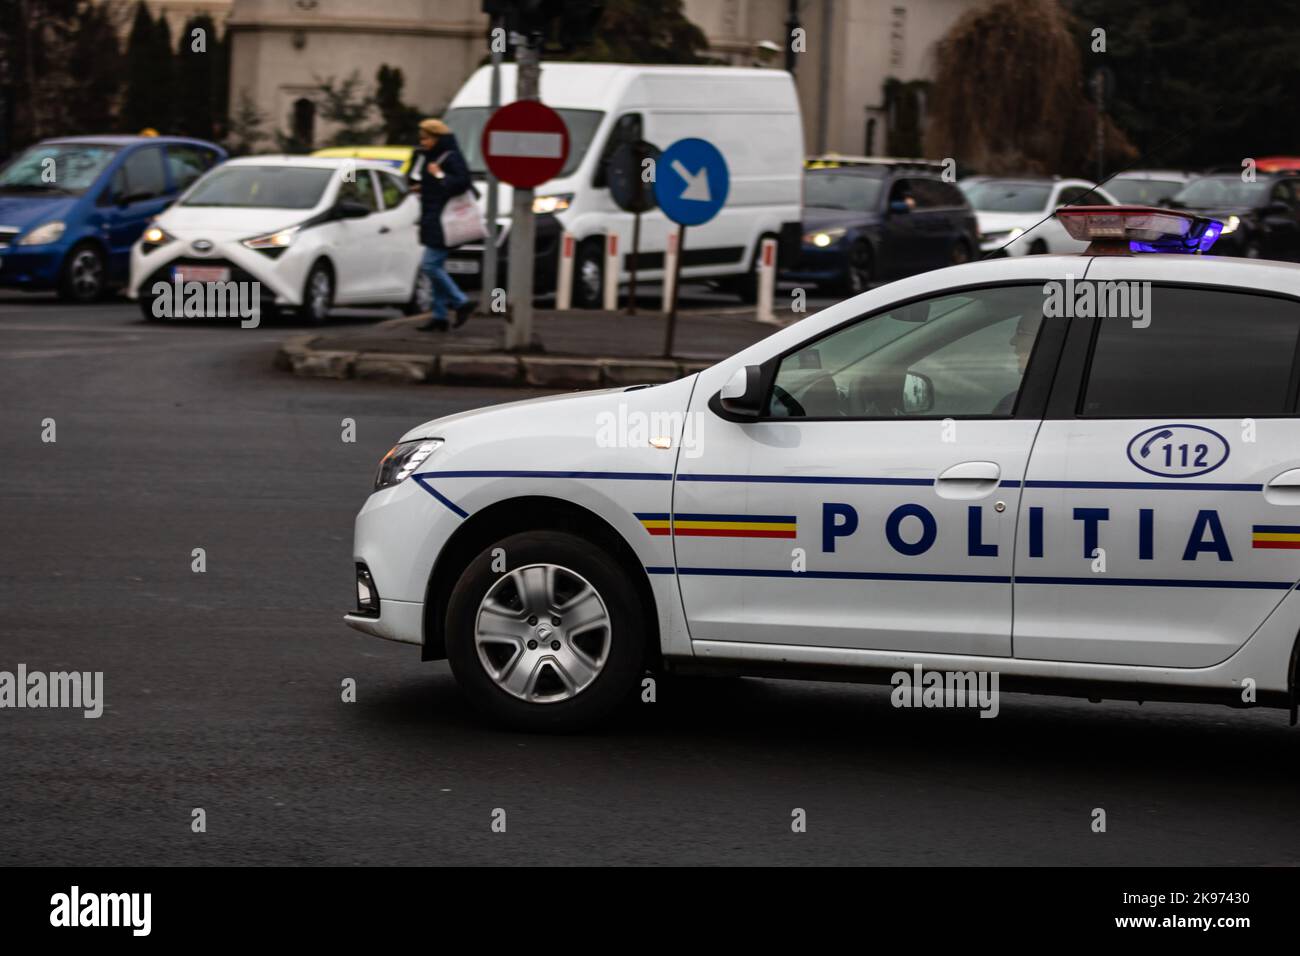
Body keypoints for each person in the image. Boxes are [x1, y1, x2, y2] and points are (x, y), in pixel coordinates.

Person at [410, 118, 474, 332]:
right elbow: (438, 186)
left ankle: (460, 301)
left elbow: (462, 181)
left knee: (429, 265)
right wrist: (423, 187)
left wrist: (438, 174)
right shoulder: (433, 156)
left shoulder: (449, 157)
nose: (423, 142)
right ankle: (439, 316)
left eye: (426, 138)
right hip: (434, 217)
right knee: (436, 266)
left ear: (437, 138)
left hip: (444, 220)